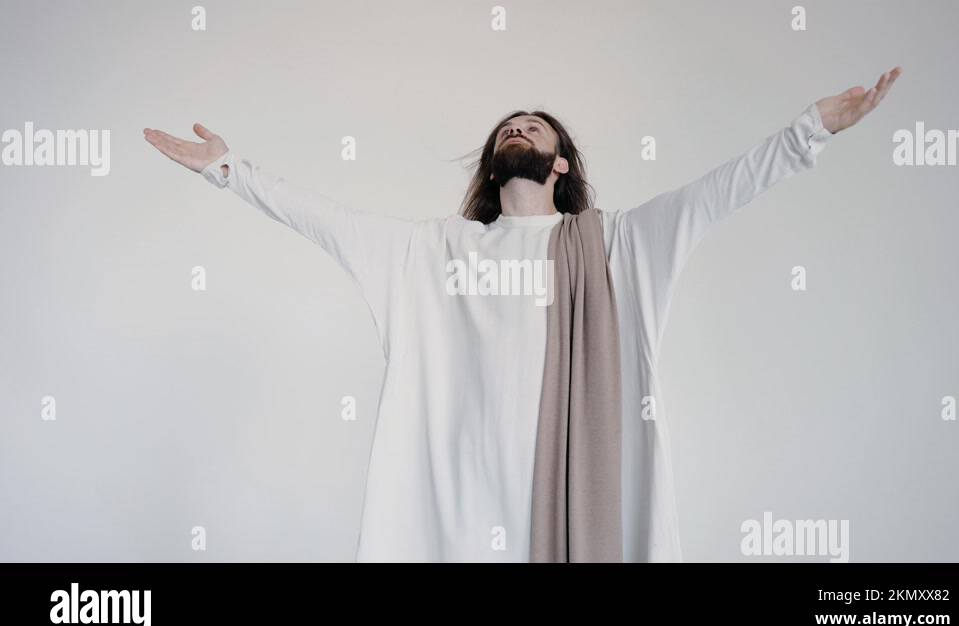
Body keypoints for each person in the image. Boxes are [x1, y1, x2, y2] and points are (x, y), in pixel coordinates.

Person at [144, 67, 902, 562]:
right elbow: (325, 220)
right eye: (509, 125)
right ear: (491, 164)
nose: (520, 127)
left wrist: (814, 127)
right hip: (464, 517)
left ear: (561, 163)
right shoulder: (430, 254)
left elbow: (718, 191)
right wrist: (226, 171)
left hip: (573, 509)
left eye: (536, 125)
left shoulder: (618, 248)